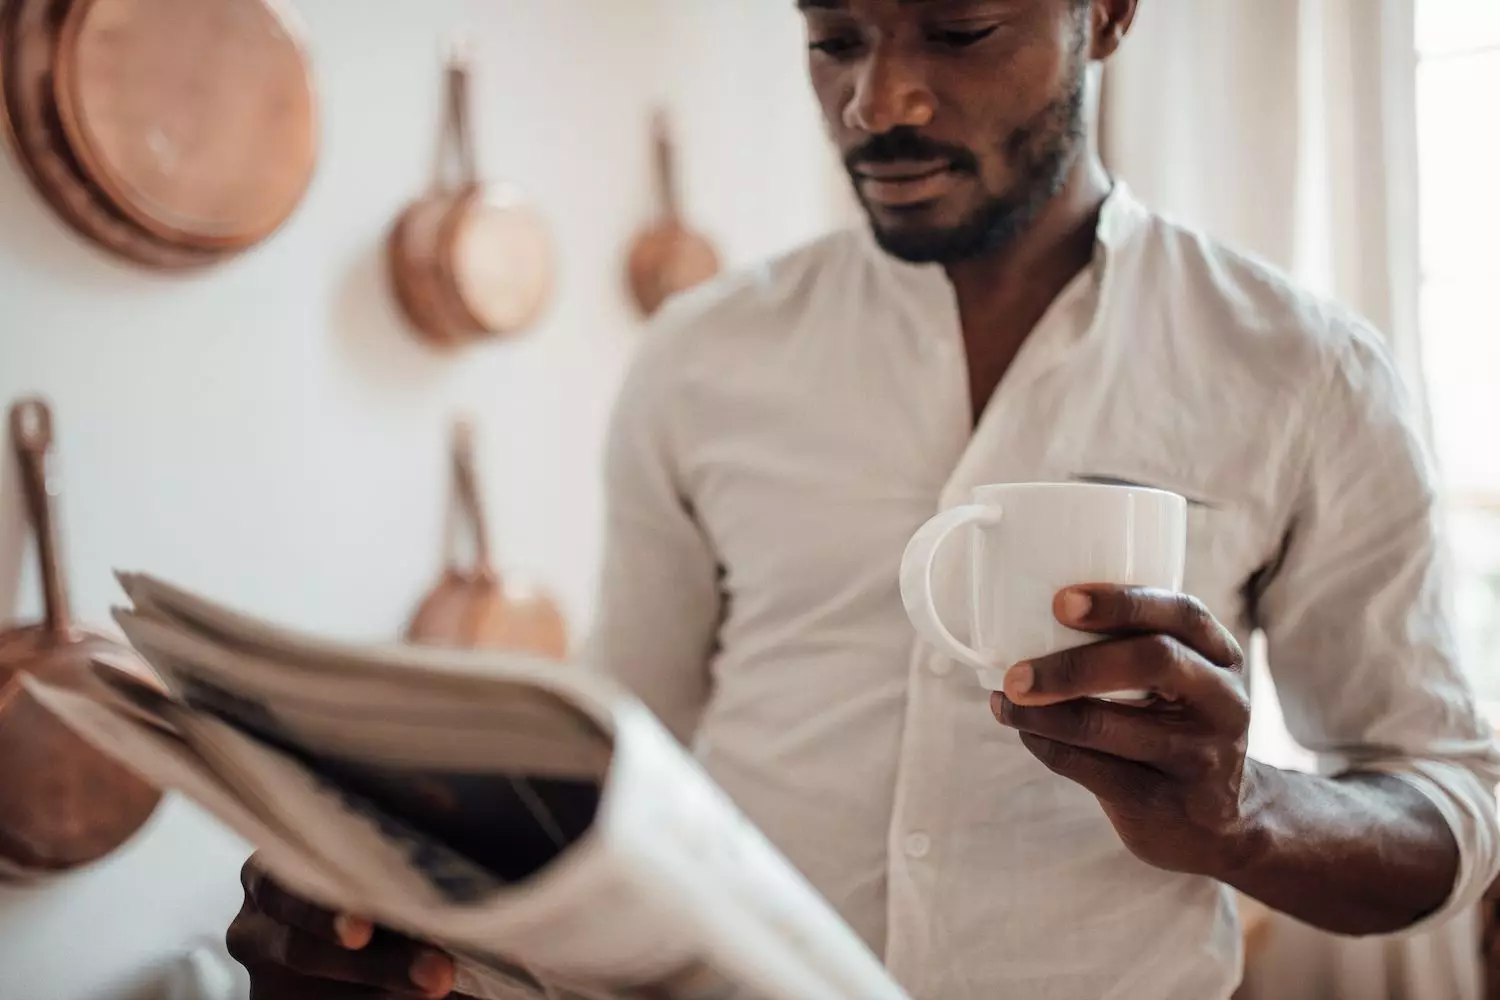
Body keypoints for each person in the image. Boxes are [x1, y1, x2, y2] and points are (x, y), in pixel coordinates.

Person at [225, 1, 1500, 997]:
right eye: (831, 36)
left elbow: (1450, 803)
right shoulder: (697, 358)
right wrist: (396, 896)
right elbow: (624, 756)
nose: (873, 99)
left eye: (959, 32)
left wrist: (1245, 814)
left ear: (1106, 15)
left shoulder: (1305, 371)